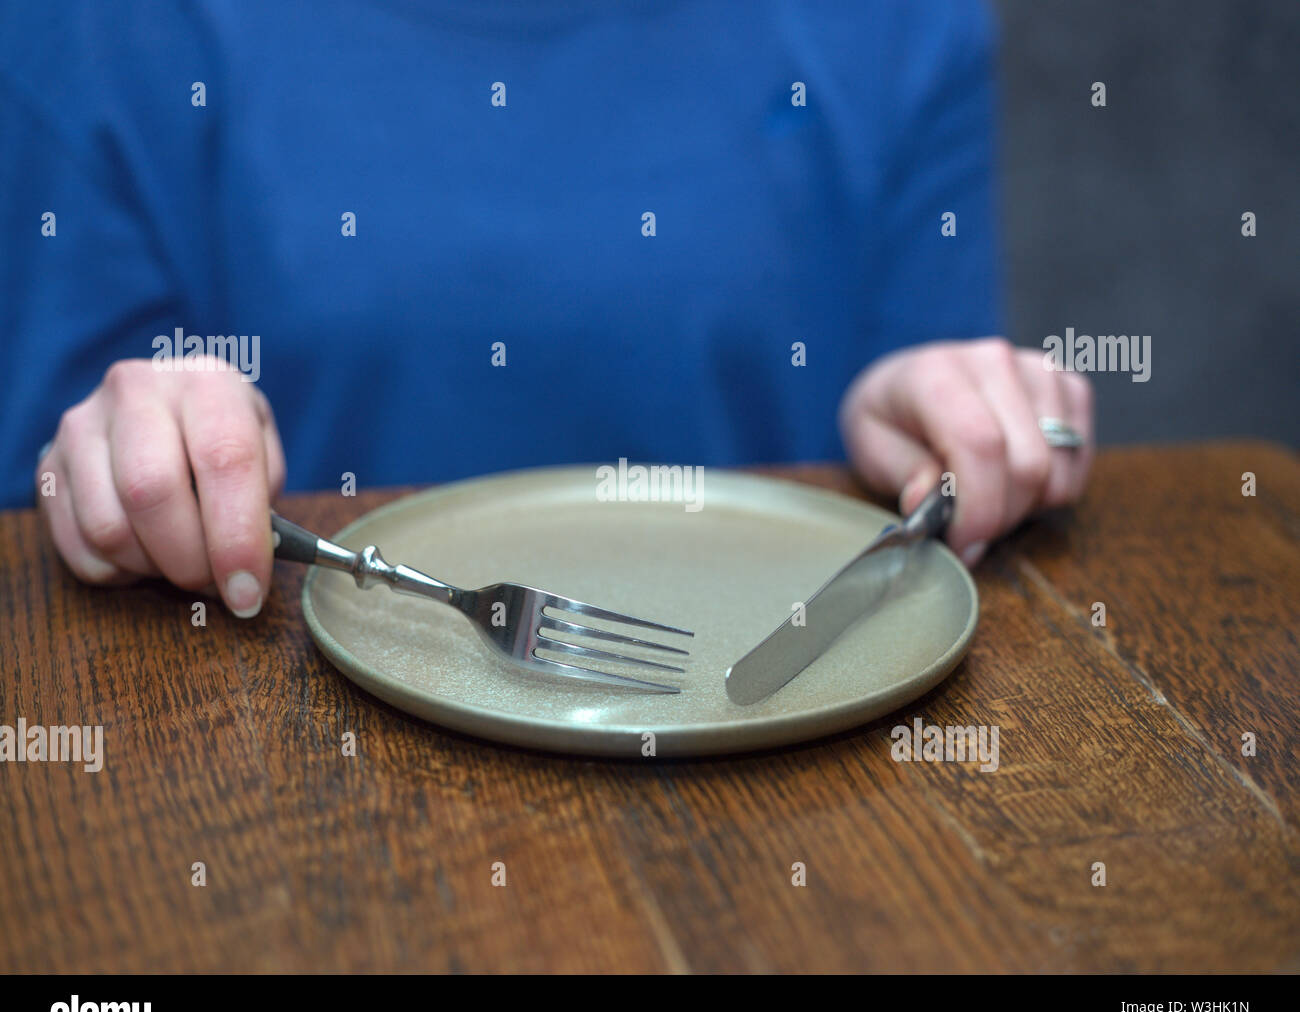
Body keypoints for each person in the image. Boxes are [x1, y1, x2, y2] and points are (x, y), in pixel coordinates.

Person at [1, 0, 1092, 619]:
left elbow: (919, 468)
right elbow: (57, 491)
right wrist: (118, 450)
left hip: (783, 783)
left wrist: (950, 411)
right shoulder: (104, 26)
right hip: (279, 775)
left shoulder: (896, 24)